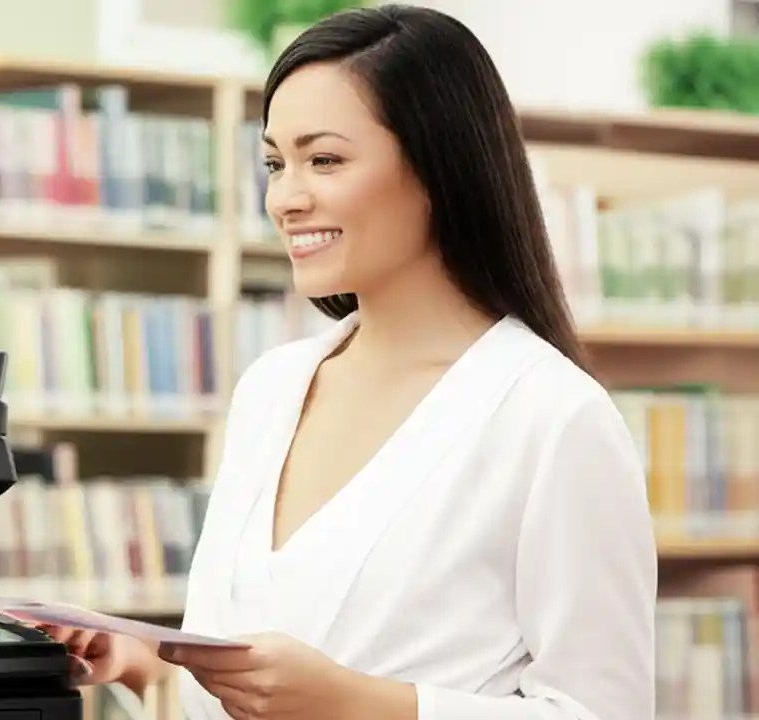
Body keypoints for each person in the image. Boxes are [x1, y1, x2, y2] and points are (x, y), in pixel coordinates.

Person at [39, 4, 657, 719]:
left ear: (440, 165)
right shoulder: (271, 391)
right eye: (275, 163)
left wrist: (366, 705)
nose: (286, 199)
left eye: (324, 159)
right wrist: (148, 664)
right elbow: (262, 669)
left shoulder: (553, 417)